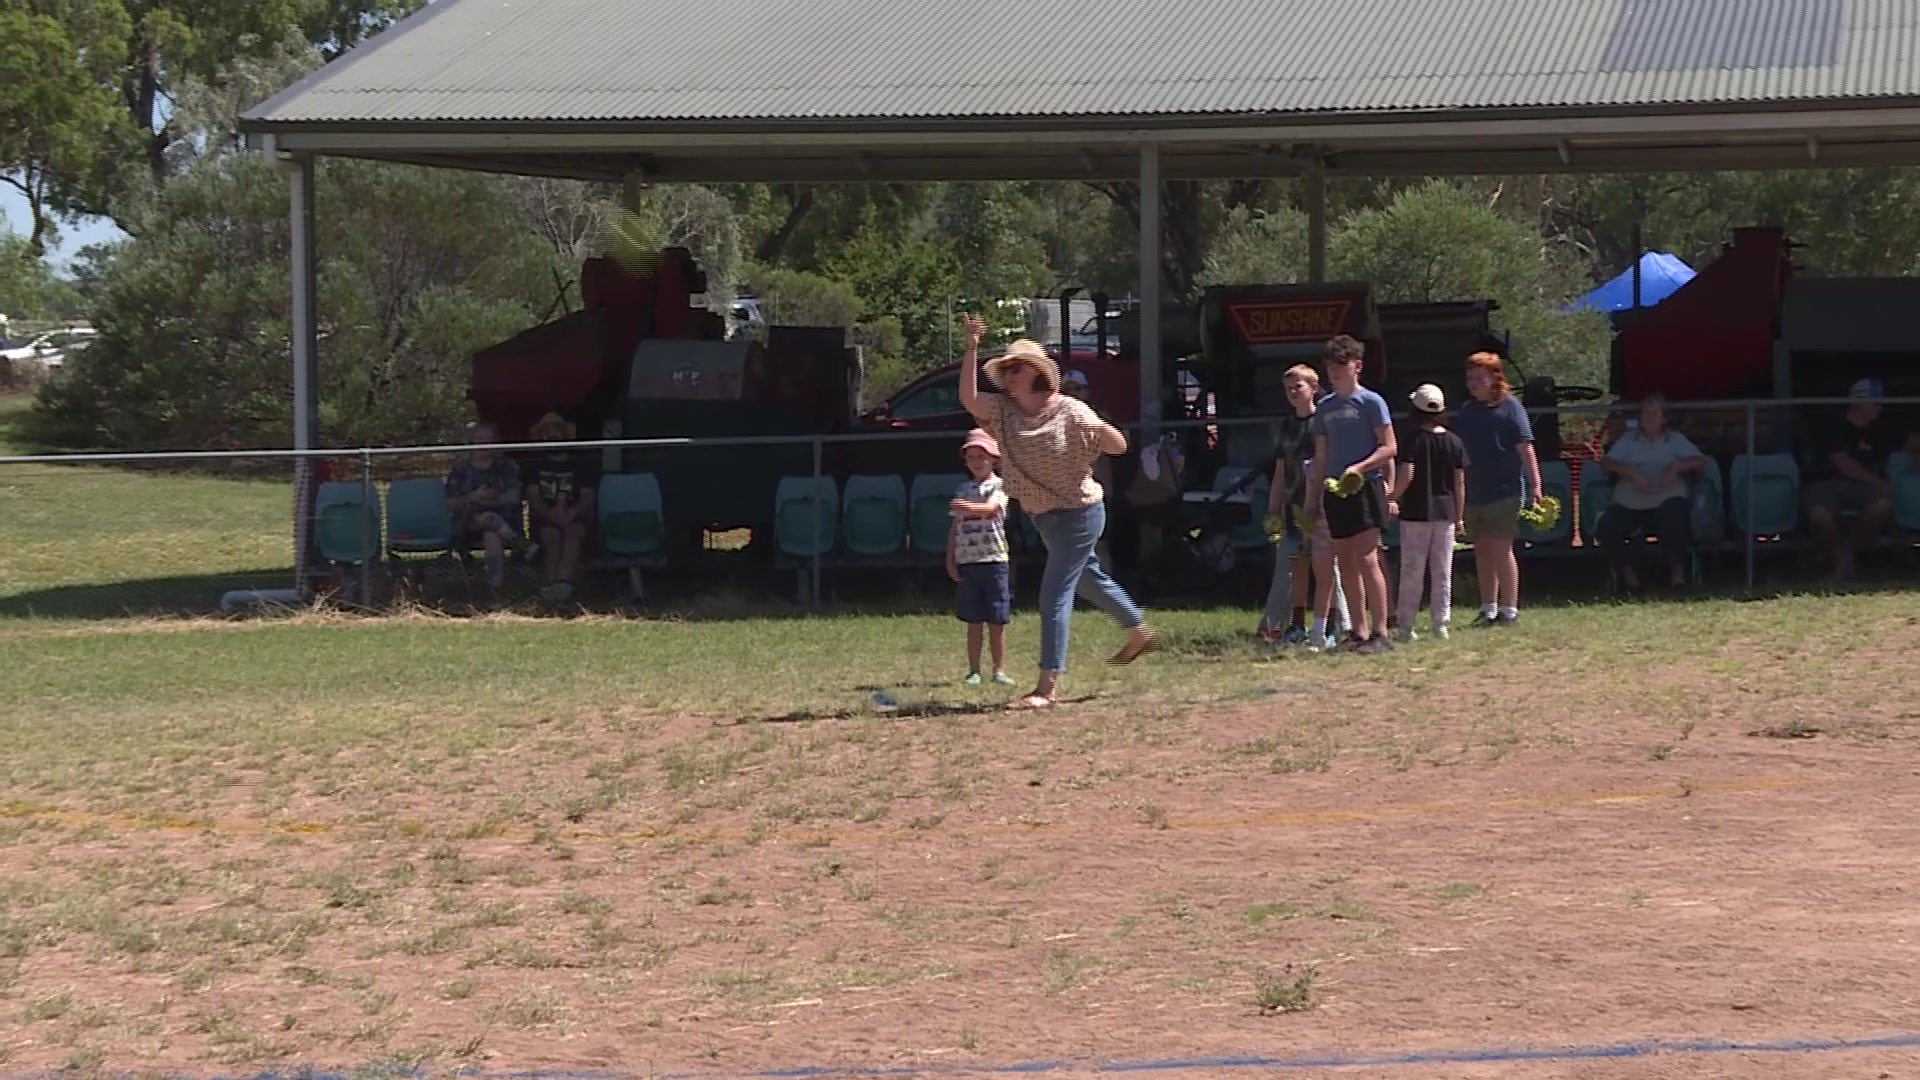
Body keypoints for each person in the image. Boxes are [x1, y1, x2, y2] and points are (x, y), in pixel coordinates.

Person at [958, 316, 1156, 709]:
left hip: (1080, 514)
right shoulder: (1003, 411)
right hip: (1044, 516)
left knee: (1054, 595)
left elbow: (1118, 447)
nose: (1009, 375)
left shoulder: (1071, 410)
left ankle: (1047, 687)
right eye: (1007, 369)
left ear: (1037, 373)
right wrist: (971, 347)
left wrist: (1103, 431)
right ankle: (1138, 629)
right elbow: (969, 398)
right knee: (1087, 580)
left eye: (1017, 368)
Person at [1305, 335, 1397, 655]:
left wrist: (1360, 468)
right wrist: (1311, 500)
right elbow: (1320, 457)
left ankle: (1381, 632)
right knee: (1344, 561)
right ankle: (1357, 632)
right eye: (1330, 367)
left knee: (1367, 557)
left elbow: (1389, 447)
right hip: (1334, 491)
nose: (1335, 372)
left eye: (1341, 366)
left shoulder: (1372, 402)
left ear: (1357, 366)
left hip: (1365, 486)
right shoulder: (1326, 408)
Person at [1259, 364, 1350, 647]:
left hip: (1322, 505)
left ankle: (1338, 624)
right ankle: (1289, 625)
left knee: (1326, 566)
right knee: (1294, 563)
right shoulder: (1287, 425)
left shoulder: (1322, 421)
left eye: (1298, 386)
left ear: (1313, 387)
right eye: (1288, 389)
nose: (1293, 393)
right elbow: (1280, 471)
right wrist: (1273, 509)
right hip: (1294, 504)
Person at [1454, 351, 1542, 627]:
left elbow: (1525, 447)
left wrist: (1536, 484)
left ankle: (1509, 610)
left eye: (1479, 377)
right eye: (1470, 378)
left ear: (1495, 377)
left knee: (1502, 549)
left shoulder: (1511, 407)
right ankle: (1488, 608)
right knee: (1482, 549)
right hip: (1475, 491)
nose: (1473, 383)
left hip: (1505, 490)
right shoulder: (1467, 411)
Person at [1802, 378, 1915, 581]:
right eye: (1874, 403)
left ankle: (1846, 553)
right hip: (1827, 483)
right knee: (1819, 515)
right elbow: (1841, 461)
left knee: (1883, 507)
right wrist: (1878, 483)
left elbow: (1910, 441)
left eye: (1881, 403)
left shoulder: (1883, 426)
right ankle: (1840, 561)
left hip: (1864, 487)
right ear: (1857, 402)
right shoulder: (1833, 422)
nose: (1879, 407)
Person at [1595, 394, 1707, 592]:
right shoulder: (1628, 440)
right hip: (1631, 501)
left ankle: (1677, 576)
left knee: (1676, 515)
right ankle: (1628, 576)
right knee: (1606, 526)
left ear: (1663, 418)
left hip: (1666, 498)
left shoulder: (1675, 440)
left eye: (1654, 412)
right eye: (1645, 412)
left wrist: (1677, 467)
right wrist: (1631, 472)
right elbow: (1606, 464)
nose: (1648, 417)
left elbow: (1700, 462)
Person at [1392, 384, 1469, 642]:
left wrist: (1392, 496)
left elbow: (1407, 474)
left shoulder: (1412, 439)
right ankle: (1440, 623)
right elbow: (1459, 482)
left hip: (1416, 511)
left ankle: (1406, 625)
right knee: (1442, 569)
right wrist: (1459, 515)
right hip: (1445, 512)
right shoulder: (1454, 441)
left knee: (1412, 569)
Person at [947, 428, 1016, 688]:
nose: (976, 462)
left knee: (997, 619)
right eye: (971, 457)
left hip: (994, 560)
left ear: (994, 459)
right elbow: (954, 528)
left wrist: (968, 507)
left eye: (982, 456)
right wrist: (951, 559)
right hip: (969, 562)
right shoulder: (963, 489)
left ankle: (999, 669)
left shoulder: (1000, 486)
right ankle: (974, 670)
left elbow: (990, 509)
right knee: (973, 619)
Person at [524, 411, 597, 603]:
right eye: (547, 432)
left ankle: (564, 583)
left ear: (565, 434)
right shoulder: (533, 466)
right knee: (551, 537)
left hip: (576, 516)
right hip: (545, 517)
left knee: (574, 533)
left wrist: (573, 512)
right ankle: (550, 583)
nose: (552, 435)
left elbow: (588, 496)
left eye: (556, 430)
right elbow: (533, 496)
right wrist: (550, 514)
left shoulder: (580, 464)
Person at [445, 421, 526, 591]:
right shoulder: (461, 469)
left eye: (488, 440)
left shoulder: (506, 467)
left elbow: (514, 497)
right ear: (472, 441)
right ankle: (517, 541)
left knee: (491, 532)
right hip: (468, 523)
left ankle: (495, 589)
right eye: (479, 438)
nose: (484, 444)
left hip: (505, 518)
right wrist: (473, 497)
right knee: (481, 516)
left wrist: (490, 500)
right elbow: (450, 504)